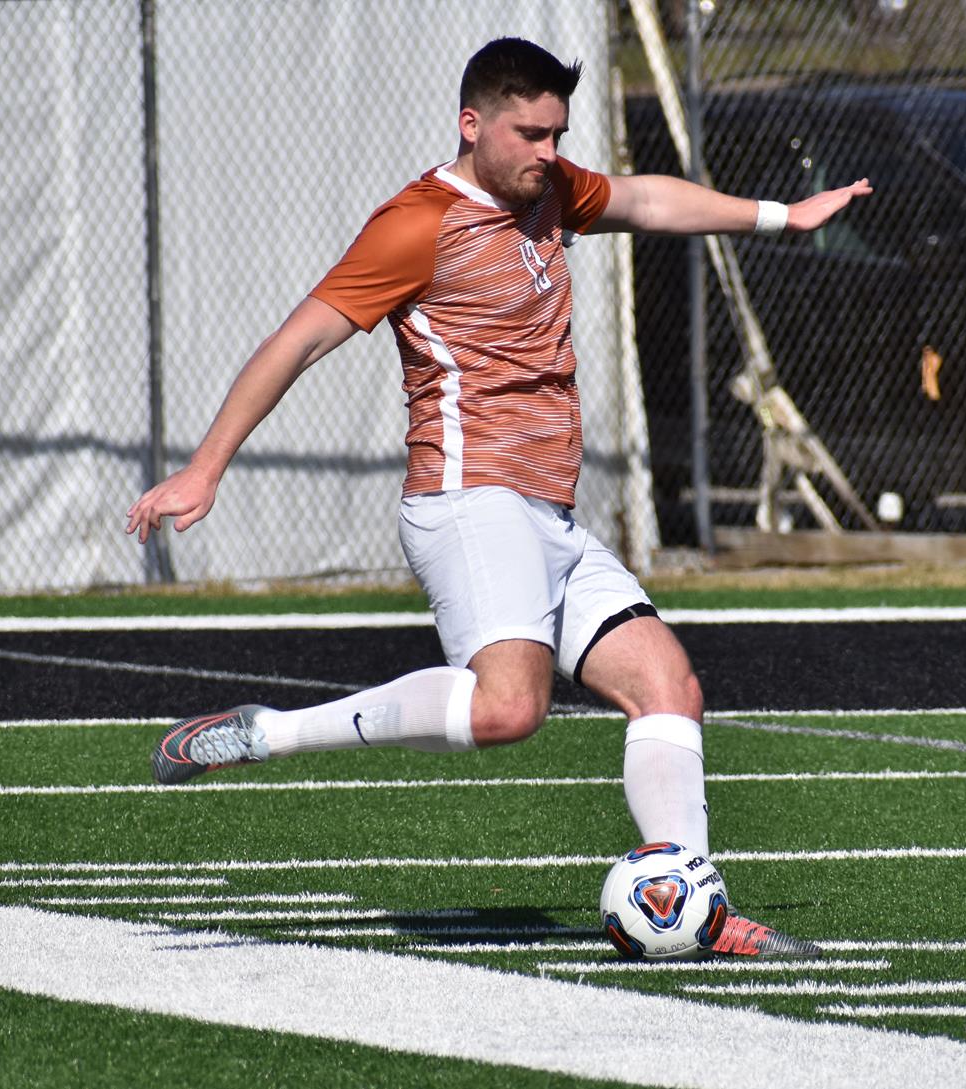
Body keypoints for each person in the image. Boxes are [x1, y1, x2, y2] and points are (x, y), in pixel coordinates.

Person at [125, 37, 869, 957]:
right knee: (510, 708)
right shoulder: (418, 224)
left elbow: (642, 200)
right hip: (468, 497)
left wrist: (781, 217)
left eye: (558, 134)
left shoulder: (547, 188)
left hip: (546, 512)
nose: (548, 153)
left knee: (668, 686)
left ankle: (690, 901)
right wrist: (206, 466)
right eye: (529, 134)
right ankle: (268, 734)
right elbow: (298, 340)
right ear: (472, 124)